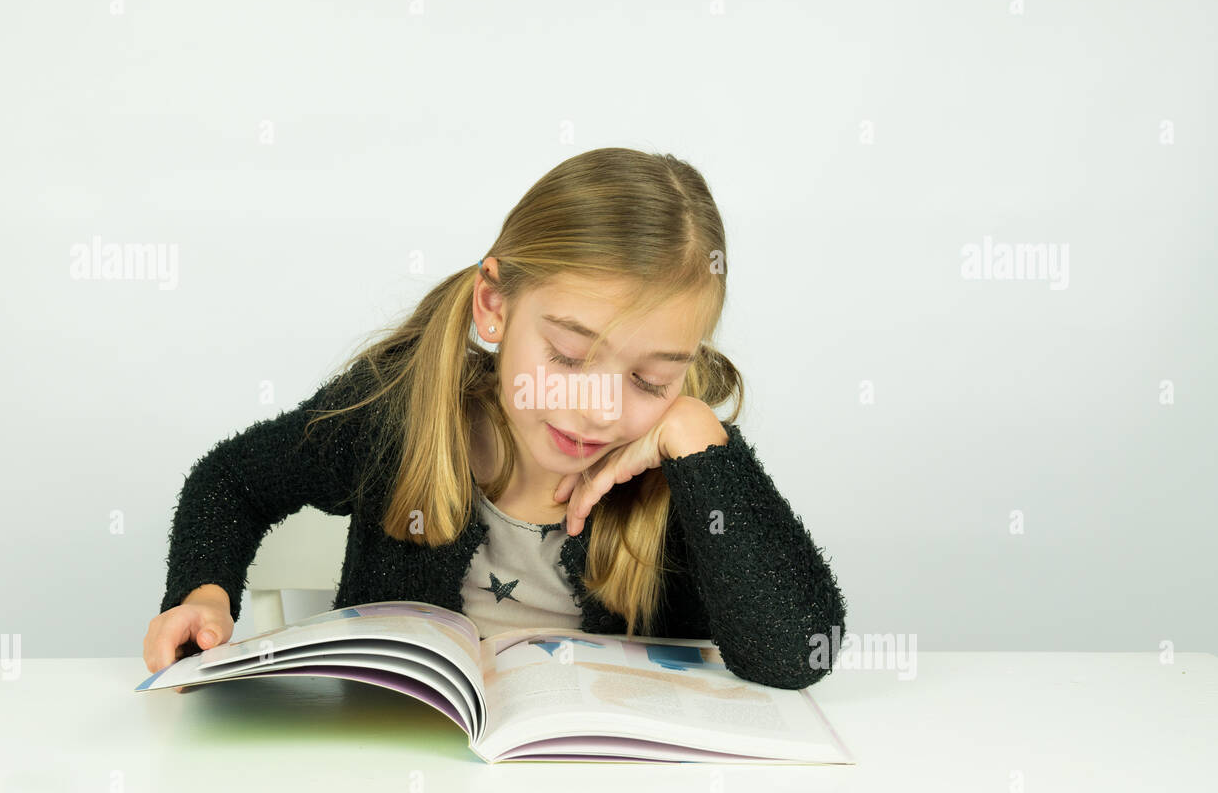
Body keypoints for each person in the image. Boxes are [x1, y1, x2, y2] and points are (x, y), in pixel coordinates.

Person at [142, 147, 847, 692]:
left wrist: (697, 438)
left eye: (648, 379)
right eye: (569, 356)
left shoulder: (689, 469)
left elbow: (796, 652)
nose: (595, 407)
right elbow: (233, 481)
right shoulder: (399, 413)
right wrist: (202, 591)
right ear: (495, 304)